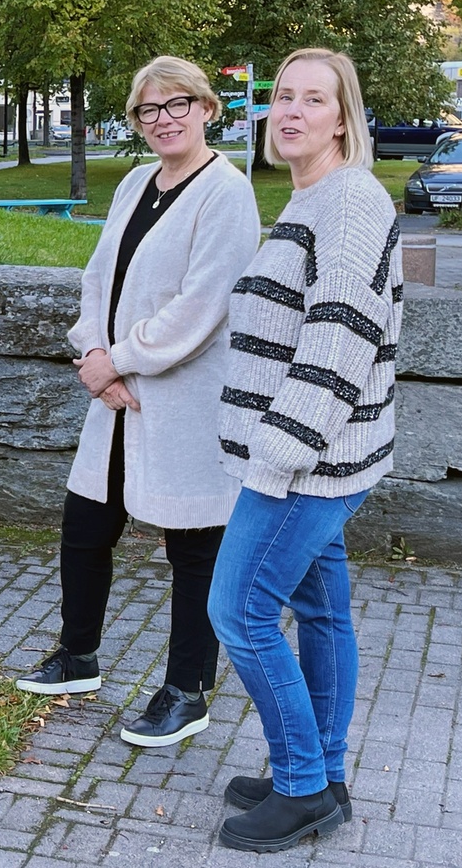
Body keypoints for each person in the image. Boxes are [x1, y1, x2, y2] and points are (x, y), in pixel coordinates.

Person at [14, 57, 260, 749]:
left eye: (176, 104)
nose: (162, 119)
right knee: (85, 524)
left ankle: (188, 690)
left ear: (207, 107)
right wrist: (95, 354)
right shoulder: (132, 183)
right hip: (116, 393)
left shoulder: (225, 192)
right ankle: (77, 657)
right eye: (147, 110)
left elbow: (201, 307)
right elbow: (96, 277)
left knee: (192, 546)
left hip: (180, 400)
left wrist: (113, 362)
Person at [210, 48, 401, 853]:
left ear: (341, 118)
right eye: (281, 96)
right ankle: (322, 770)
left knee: (239, 610)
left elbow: (337, 342)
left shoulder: (349, 204)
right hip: (316, 457)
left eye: (312, 99)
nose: (289, 111)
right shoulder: (313, 199)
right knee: (320, 611)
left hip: (308, 464)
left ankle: (302, 790)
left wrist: (277, 458)